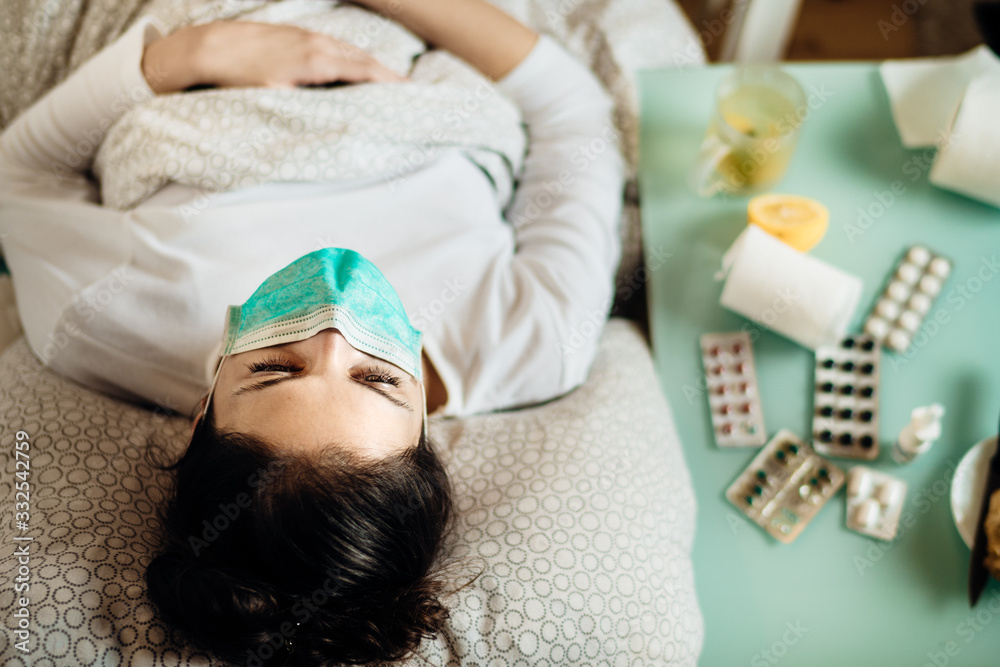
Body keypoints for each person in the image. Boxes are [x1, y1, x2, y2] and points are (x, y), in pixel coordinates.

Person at [0, 0, 625, 663]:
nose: (334, 330)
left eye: (274, 368)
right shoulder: (536, 336)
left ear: (201, 411)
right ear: (428, 433)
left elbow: (20, 176)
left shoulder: (104, 321)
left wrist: (194, 53)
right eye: (377, 375)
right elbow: (576, 116)